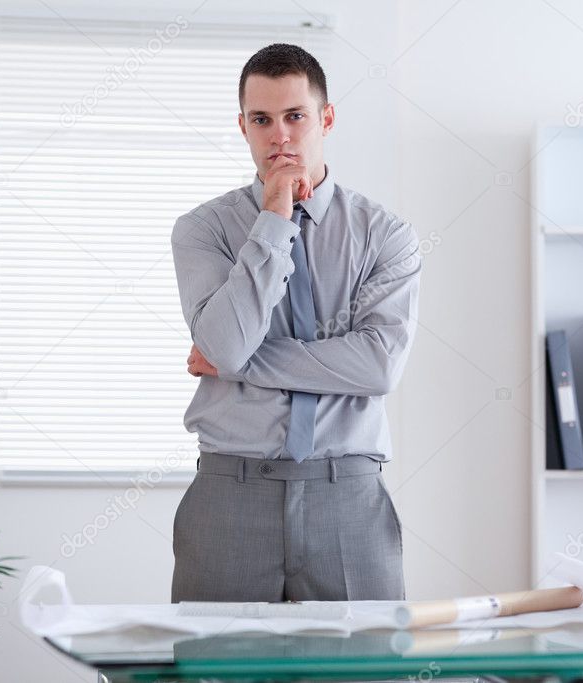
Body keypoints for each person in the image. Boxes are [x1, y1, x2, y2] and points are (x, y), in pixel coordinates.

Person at [170, 42, 421, 602]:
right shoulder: (202, 230)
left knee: (366, 669)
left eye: (295, 117)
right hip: (228, 494)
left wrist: (241, 366)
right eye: (262, 120)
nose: (279, 136)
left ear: (326, 118)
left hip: (347, 495)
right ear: (242, 126)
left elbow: (379, 366)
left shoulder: (386, 234)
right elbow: (227, 347)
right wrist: (275, 218)